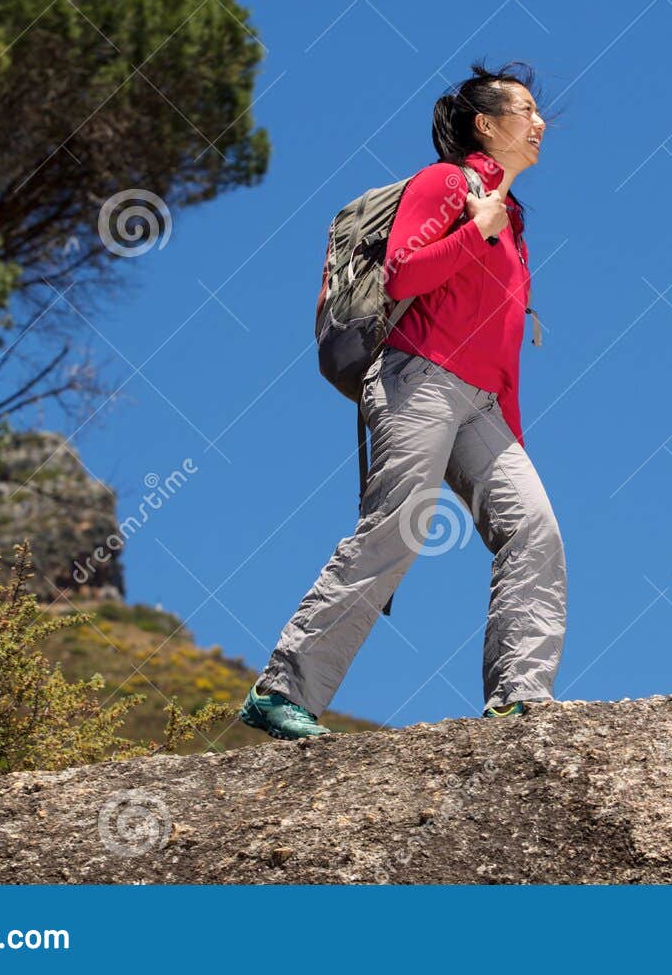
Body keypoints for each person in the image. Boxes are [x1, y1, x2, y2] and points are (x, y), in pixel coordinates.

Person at [240, 61, 567, 739]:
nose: (541, 122)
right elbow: (402, 274)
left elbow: (505, 347)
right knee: (398, 527)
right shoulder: (446, 183)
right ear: (485, 125)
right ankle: (283, 690)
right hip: (417, 377)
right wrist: (474, 230)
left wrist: (512, 439)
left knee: (534, 527)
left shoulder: (513, 222)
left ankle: (519, 700)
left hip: (484, 404)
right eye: (526, 110)